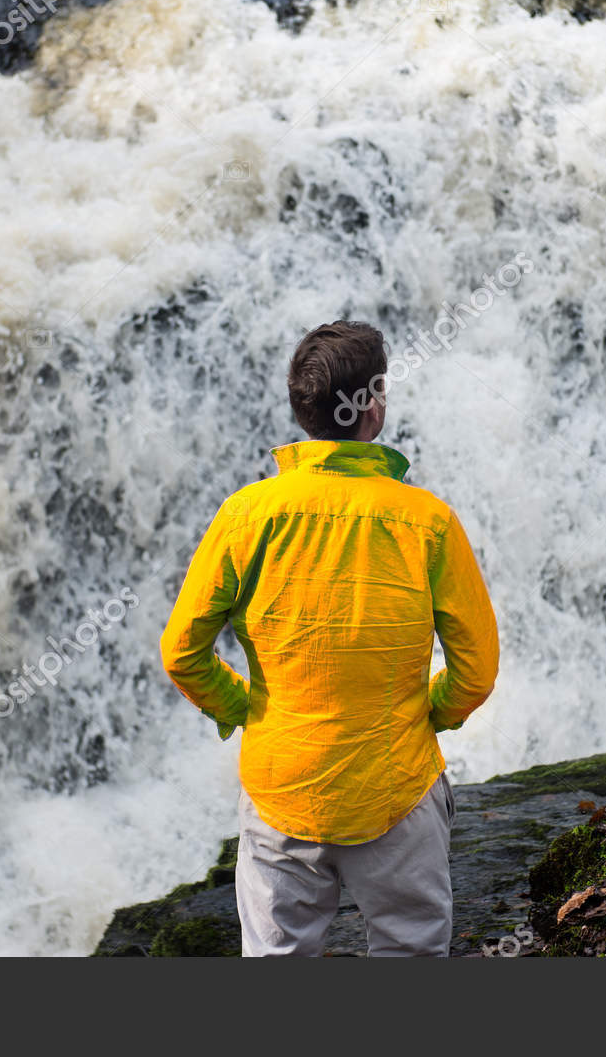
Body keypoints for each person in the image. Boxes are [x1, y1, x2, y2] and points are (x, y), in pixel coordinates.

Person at [160, 320, 499, 956]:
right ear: (371, 408)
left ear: (303, 409)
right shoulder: (428, 521)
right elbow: (476, 671)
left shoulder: (246, 515)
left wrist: (242, 708)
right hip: (397, 788)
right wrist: (429, 715)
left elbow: (181, 651)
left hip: (281, 787)